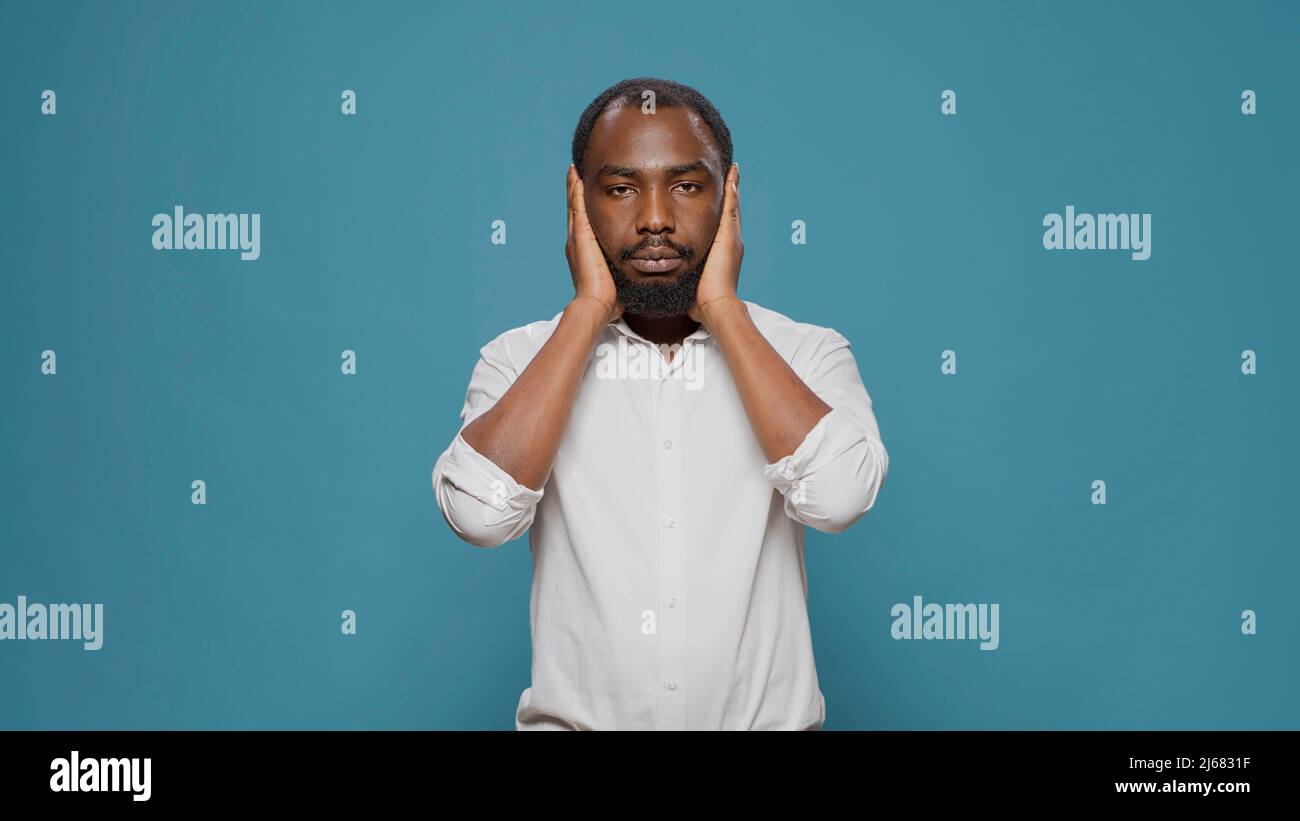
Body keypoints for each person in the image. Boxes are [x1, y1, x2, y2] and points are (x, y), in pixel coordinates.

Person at [432, 77, 888, 730]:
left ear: (729, 195)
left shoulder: (809, 354)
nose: (654, 219)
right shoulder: (516, 360)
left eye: (686, 185)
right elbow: (477, 515)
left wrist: (721, 308)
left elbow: (841, 496)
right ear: (578, 202)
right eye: (620, 189)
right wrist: (589, 310)